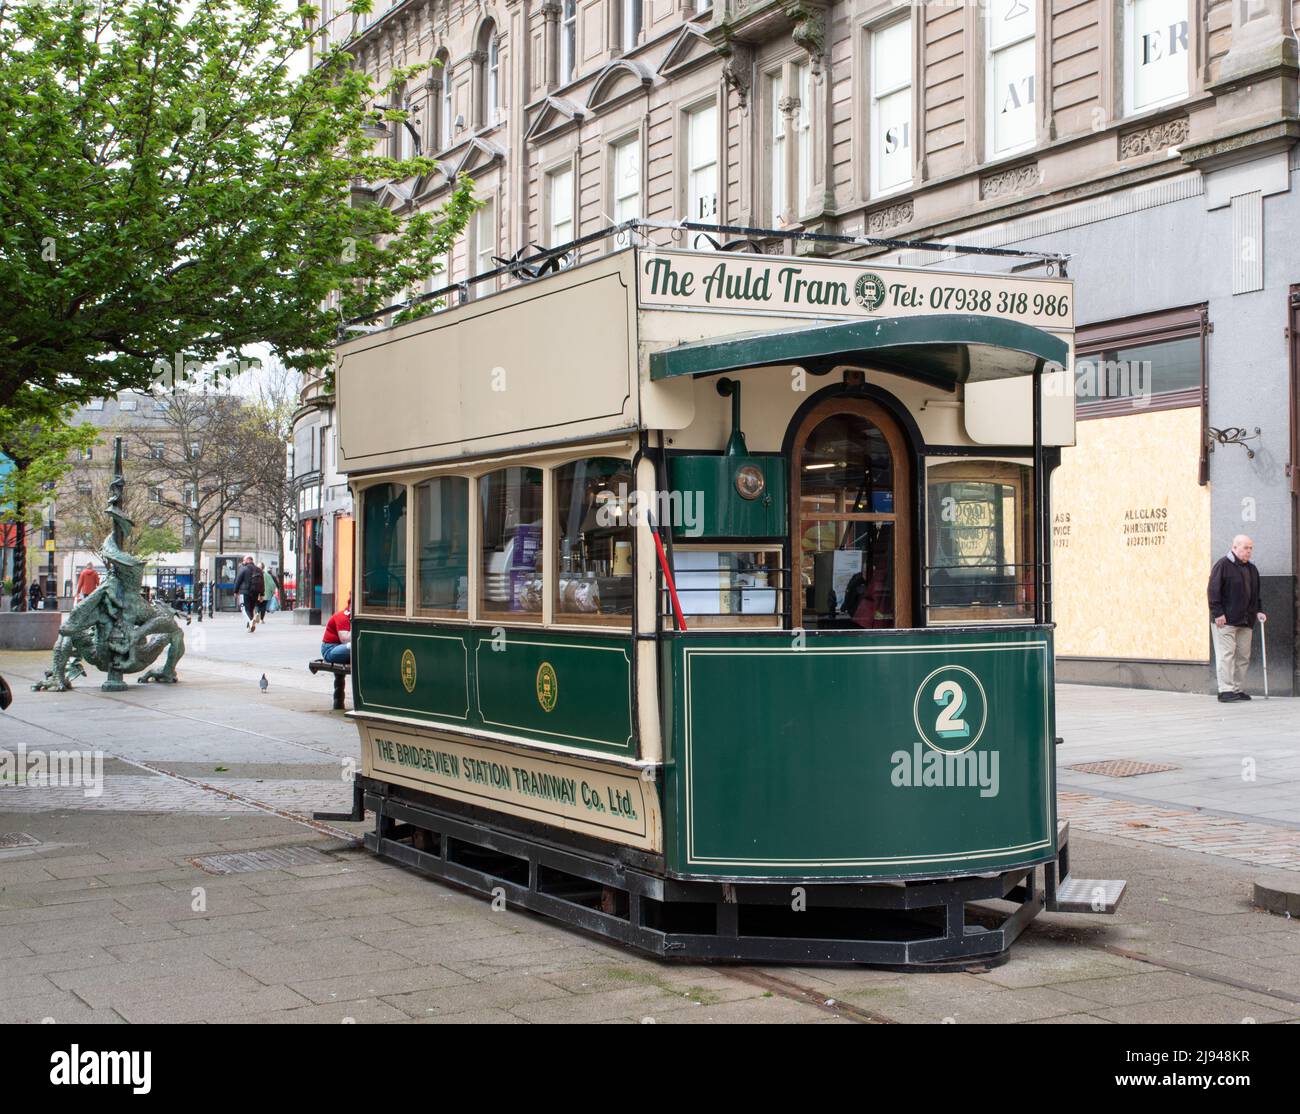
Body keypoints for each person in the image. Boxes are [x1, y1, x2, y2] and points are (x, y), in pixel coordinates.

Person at [1207, 534, 1266, 702]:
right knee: (1226, 655)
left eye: (1250, 548)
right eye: (1245, 548)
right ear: (1234, 547)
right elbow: (1213, 591)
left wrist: (1259, 610)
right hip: (1225, 621)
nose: (1249, 551)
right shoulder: (1222, 565)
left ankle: (1237, 689)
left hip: (1246, 620)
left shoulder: (1252, 569)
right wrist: (1217, 613)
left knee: (1243, 656)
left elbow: (1256, 595)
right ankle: (1225, 690)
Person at [232, 555, 262, 632]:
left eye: (244, 560)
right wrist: (262, 594)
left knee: (244, 609)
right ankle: (249, 626)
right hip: (255, 592)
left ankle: (251, 621)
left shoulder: (243, 569)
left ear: (248, 560)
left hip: (245, 592)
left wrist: (235, 591)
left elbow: (238, 580)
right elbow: (262, 583)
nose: (243, 562)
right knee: (251, 609)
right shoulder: (259, 570)